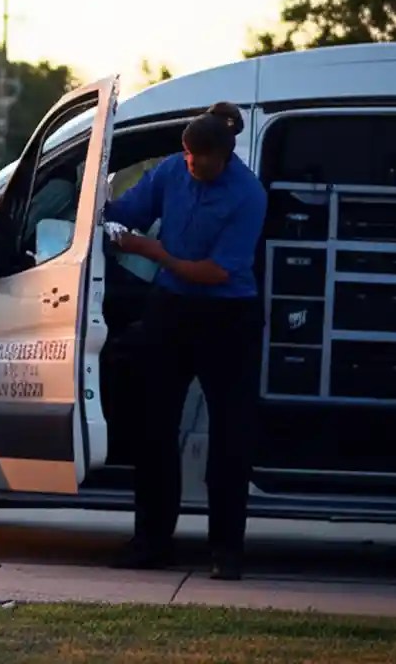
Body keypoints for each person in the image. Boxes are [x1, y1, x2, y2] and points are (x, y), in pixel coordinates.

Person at [102, 102, 267, 580]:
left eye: (202, 161)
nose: (193, 167)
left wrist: (154, 251)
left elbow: (216, 271)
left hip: (228, 314)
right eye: (188, 157)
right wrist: (101, 211)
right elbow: (127, 210)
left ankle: (226, 551)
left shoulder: (247, 194)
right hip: (171, 309)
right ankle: (150, 542)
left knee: (231, 435)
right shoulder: (171, 171)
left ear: (224, 156)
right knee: (153, 427)